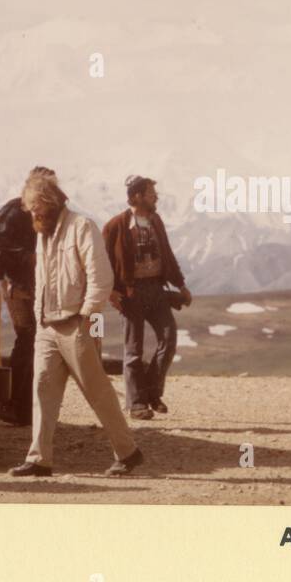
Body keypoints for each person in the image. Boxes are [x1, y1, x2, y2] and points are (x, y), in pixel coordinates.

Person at [8, 174, 144, 478]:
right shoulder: (43, 234)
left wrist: (86, 315)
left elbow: (101, 275)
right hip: (47, 327)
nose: (33, 215)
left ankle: (128, 452)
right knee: (42, 389)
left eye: (35, 208)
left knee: (96, 390)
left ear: (48, 203)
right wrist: (39, 317)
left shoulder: (82, 227)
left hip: (77, 323)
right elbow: (41, 281)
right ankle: (39, 459)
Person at [102, 175, 191, 419]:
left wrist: (181, 284)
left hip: (156, 289)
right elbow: (103, 263)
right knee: (134, 350)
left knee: (169, 338)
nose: (156, 198)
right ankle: (136, 404)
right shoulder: (115, 226)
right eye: (152, 194)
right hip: (131, 294)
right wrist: (111, 291)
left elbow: (168, 256)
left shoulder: (156, 221)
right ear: (137, 196)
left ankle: (151, 391)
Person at [0, 166, 57, 426]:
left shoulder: (48, 212)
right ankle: (14, 404)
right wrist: (26, 255)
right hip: (17, 283)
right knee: (28, 338)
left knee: (35, 340)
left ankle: (22, 405)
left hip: (37, 283)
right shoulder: (15, 209)